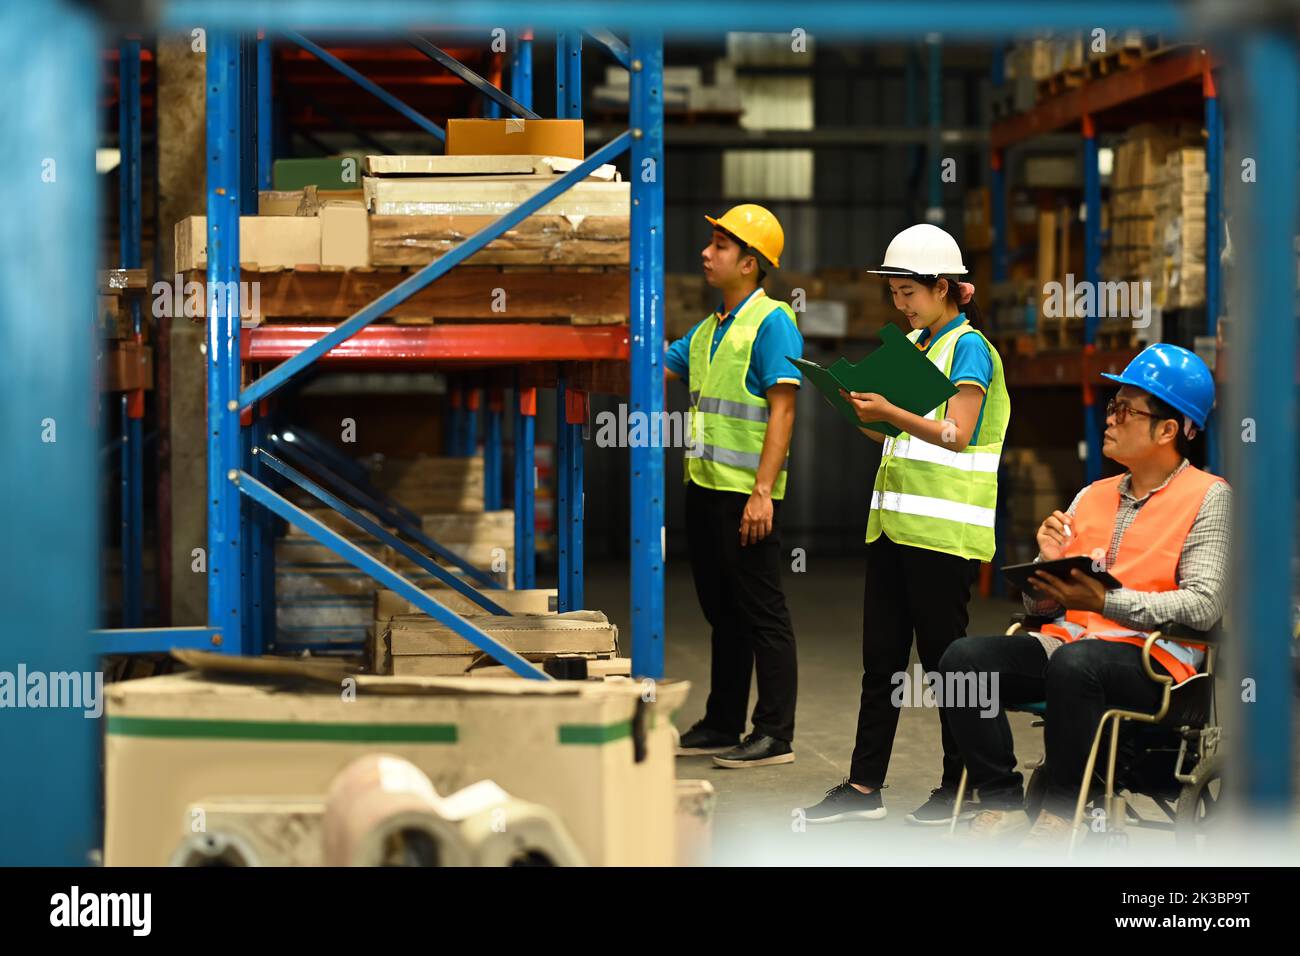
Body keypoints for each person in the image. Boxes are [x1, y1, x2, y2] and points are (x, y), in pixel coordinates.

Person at [938, 343, 1228, 846]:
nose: (1110, 419)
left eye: (1124, 409)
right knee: (963, 660)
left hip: (1154, 662)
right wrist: (1047, 568)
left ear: (1168, 429)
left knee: (1079, 666)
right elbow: (1045, 610)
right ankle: (1003, 799)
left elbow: (1204, 606)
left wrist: (1105, 603)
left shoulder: (1209, 497)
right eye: (1112, 407)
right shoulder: (1091, 494)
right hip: (1070, 648)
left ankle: (1060, 811)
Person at [801, 223, 1010, 824]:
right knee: (882, 662)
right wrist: (854, 406)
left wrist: (889, 408)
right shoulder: (918, 349)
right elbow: (890, 434)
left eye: (907, 293)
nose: (899, 304)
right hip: (895, 531)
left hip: (942, 537)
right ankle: (865, 788)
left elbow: (958, 433)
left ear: (943, 286)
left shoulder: (968, 348)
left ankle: (960, 784)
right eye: (893, 293)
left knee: (950, 667)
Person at [666, 204, 804, 768]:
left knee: (762, 612)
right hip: (704, 489)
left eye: (720, 245)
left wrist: (763, 492)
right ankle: (723, 720)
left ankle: (774, 733)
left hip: (748, 495)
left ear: (750, 263)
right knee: (723, 612)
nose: (706, 252)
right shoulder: (707, 331)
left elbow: (784, 410)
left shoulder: (773, 322)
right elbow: (656, 365)